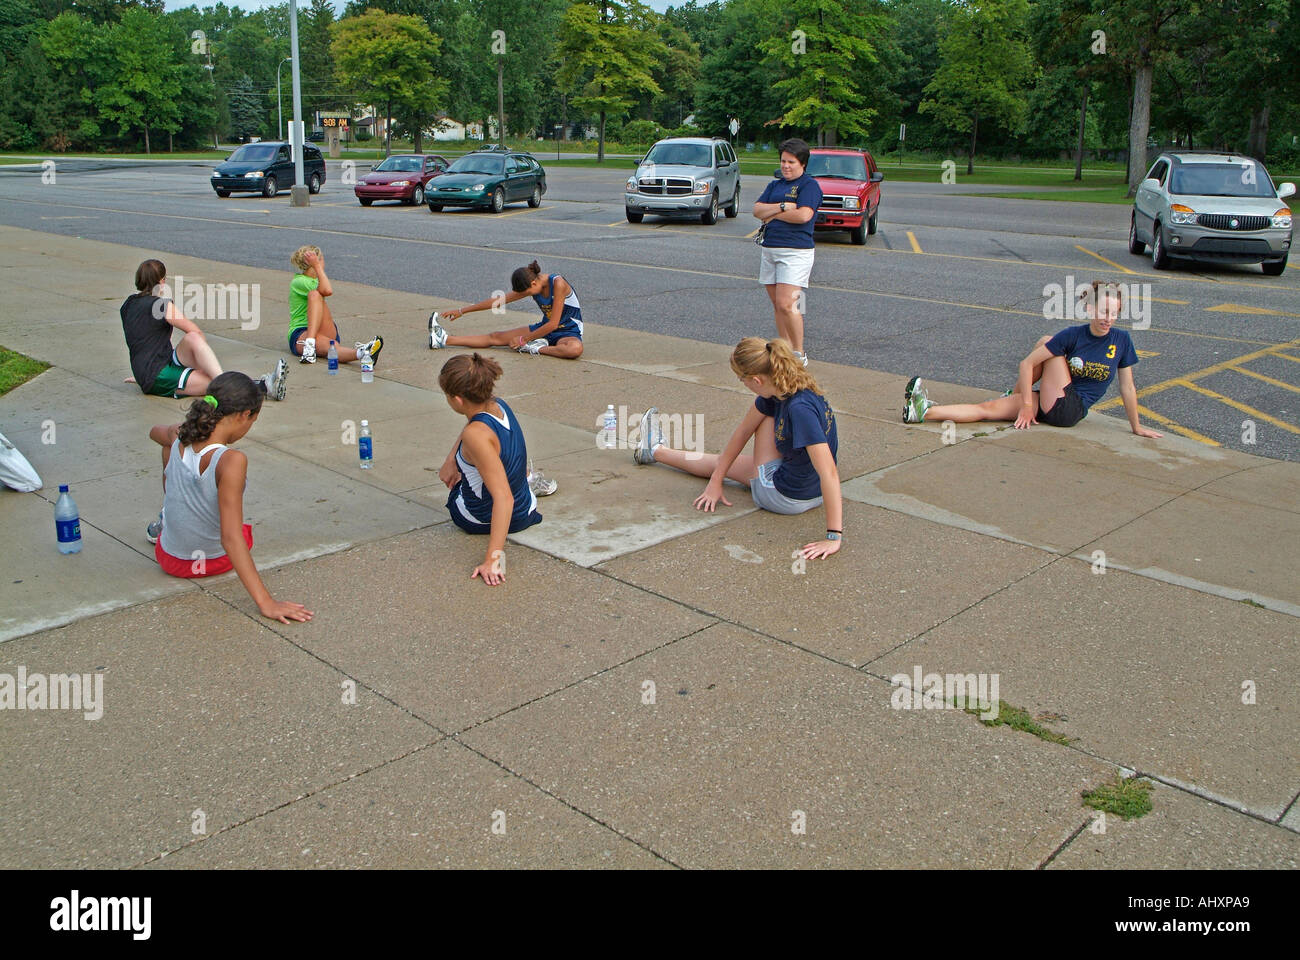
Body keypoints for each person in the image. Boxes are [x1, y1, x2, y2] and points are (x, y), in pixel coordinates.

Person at [633, 336, 842, 560]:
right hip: (813, 491)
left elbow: (827, 471)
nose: (742, 384)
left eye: (741, 379)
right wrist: (715, 482)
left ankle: (655, 450)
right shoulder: (796, 385)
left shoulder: (797, 409)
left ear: (756, 380)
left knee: (760, 422)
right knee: (727, 461)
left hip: (784, 495)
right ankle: (656, 451)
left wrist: (833, 537)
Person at [145, 372, 312, 624]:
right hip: (211, 562)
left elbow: (153, 433)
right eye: (252, 421)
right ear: (244, 415)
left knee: (170, 449)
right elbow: (230, 538)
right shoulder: (231, 460)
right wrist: (266, 602)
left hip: (169, 557)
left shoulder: (179, 434)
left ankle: (168, 516)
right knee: (242, 531)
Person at [903, 280, 1164, 439]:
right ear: (1090, 308)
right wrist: (1026, 404)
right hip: (1053, 399)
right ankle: (923, 411)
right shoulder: (1074, 335)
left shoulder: (1121, 340)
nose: (1109, 318)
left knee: (1048, 344)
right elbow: (1026, 365)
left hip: (1070, 410)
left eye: (1115, 313)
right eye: (1104, 311)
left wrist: (1137, 427)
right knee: (987, 409)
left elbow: (1127, 387)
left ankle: (1017, 395)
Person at [436, 353, 544, 586]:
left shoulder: (475, 435)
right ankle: (526, 476)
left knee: (459, 489)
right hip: (527, 507)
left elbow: (503, 498)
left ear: (457, 399)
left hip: (481, 518)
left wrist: (493, 559)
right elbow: (473, 424)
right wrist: (452, 459)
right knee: (485, 462)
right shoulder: (498, 404)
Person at [121, 259, 287, 401]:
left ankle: (239, 380)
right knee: (213, 383)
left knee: (198, 348)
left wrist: (140, 373)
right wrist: (204, 362)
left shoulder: (127, 305)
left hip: (155, 366)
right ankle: (264, 387)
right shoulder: (162, 305)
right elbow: (196, 332)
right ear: (162, 281)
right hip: (157, 376)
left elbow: (139, 341)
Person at [753, 138, 822, 368]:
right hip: (770, 249)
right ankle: (783, 350)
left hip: (796, 252)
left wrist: (771, 213)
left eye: (791, 162)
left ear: (802, 163)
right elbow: (756, 210)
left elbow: (803, 216)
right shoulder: (775, 186)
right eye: (783, 161)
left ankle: (798, 354)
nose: (786, 166)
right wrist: (782, 207)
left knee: (789, 304)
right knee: (777, 305)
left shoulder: (808, 186)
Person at [428, 260, 584, 358]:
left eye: (527, 293)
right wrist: (462, 311)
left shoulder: (558, 283)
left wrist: (524, 340)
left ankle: (537, 348)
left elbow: (553, 324)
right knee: (495, 337)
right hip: (543, 329)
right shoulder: (530, 284)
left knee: (574, 349)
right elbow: (497, 301)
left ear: (534, 284)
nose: (526, 296)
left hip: (568, 332)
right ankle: (444, 339)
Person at [288, 245, 383, 367]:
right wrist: (317, 265)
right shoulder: (299, 281)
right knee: (314, 295)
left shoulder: (318, 281)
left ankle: (310, 346)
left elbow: (326, 289)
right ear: (316, 261)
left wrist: (317, 268)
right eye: (321, 259)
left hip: (324, 329)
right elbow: (328, 290)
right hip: (301, 332)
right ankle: (363, 353)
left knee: (316, 295)